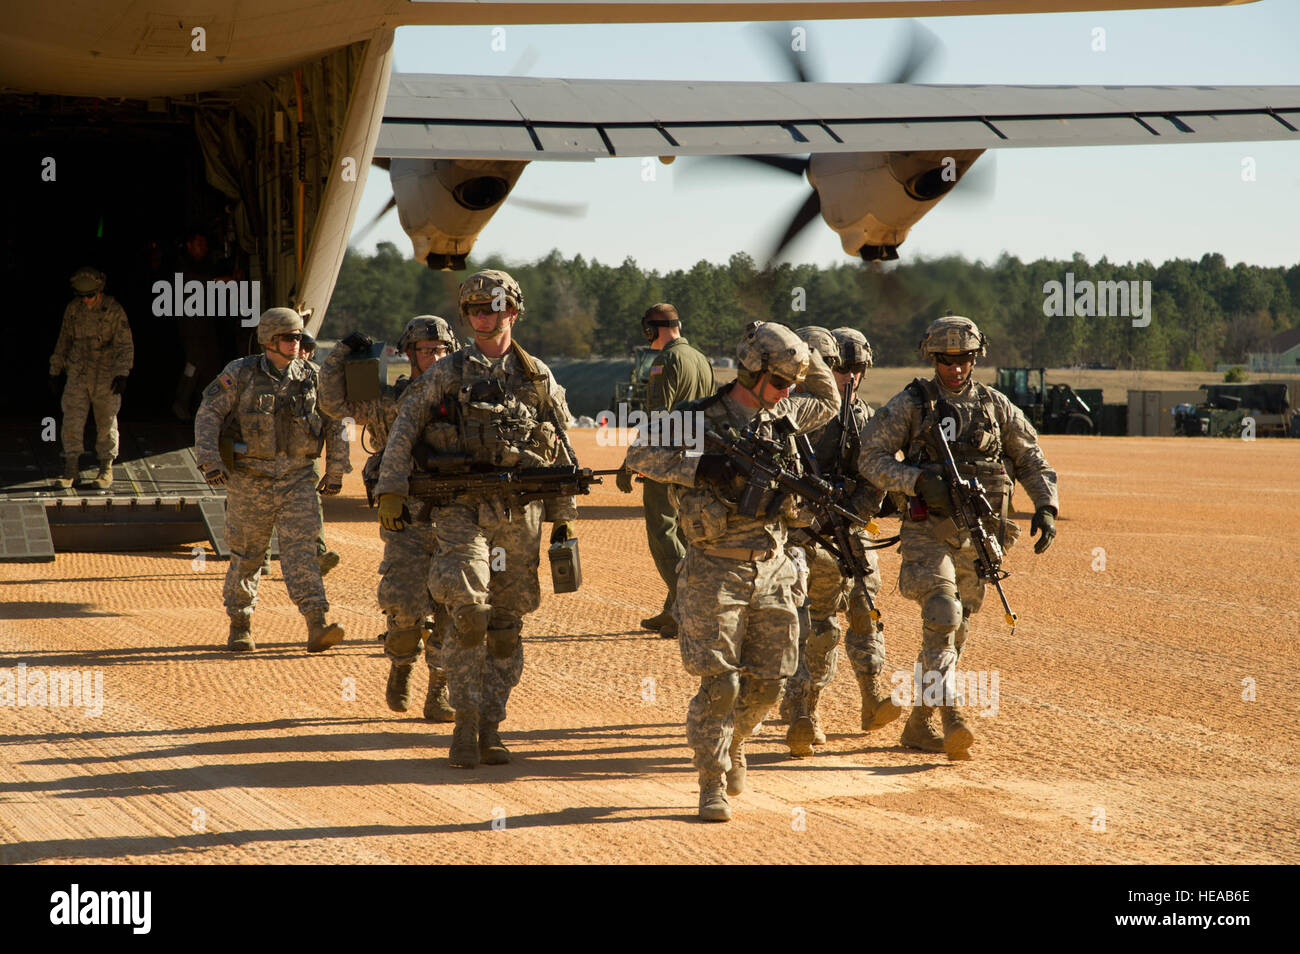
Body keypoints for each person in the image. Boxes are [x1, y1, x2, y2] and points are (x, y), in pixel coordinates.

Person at [626, 321, 839, 822]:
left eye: (792, 383)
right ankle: (711, 778)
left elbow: (828, 400)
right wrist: (701, 469)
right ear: (751, 370)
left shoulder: (787, 411)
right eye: (780, 381)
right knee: (720, 684)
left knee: (767, 684)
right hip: (713, 569)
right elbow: (639, 453)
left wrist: (804, 348)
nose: (788, 392)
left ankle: (737, 741)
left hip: (774, 567)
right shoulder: (700, 417)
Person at [373, 270, 578, 769]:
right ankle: (463, 722)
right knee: (468, 611)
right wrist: (391, 490)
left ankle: (491, 725)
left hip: (518, 513)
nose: (483, 318)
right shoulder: (447, 372)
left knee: (505, 626)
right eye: (474, 311)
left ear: (513, 310)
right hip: (460, 508)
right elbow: (404, 429)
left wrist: (564, 518)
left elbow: (562, 447)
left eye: (492, 308)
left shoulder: (538, 376)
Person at [858, 315, 1058, 760]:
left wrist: (1045, 505)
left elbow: (1030, 457)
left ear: (976, 358)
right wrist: (914, 480)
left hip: (981, 534)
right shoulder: (912, 405)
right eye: (946, 360)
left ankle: (917, 723)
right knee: (943, 613)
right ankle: (952, 717)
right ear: (932, 358)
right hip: (928, 530)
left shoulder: (995, 406)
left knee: (953, 631)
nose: (955, 369)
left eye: (964, 359)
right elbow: (869, 458)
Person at [319, 316, 460, 722]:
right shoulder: (386, 401)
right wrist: (341, 353)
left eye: (440, 349)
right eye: (425, 349)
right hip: (405, 514)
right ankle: (401, 664)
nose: (434, 356)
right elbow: (331, 403)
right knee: (404, 605)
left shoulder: (465, 400)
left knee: (454, 602)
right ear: (409, 354)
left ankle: (439, 690)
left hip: (455, 514)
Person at [194, 307, 350, 653]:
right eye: (288, 338)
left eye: (298, 337)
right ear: (268, 340)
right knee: (248, 556)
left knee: (304, 554)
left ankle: (316, 624)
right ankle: (240, 624)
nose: (296, 343)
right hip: (250, 480)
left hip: (297, 480)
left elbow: (336, 424)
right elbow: (208, 415)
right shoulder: (240, 373)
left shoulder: (313, 376)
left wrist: (336, 470)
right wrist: (210, 462)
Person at [779, 326, 898, 757]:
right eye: (837, 368)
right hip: (794, 533)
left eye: (853, 369)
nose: (846, 377)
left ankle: (871, 694)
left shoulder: (863, 418)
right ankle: (799, 710)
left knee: (865, 607)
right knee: (804, 624)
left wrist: (855, 513)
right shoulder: (787, 413)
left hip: (845, 529)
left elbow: (874, 475)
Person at [615, 303, 715, 639]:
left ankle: (688, 602)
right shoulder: (701, 360)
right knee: (688, 531)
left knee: (662, 531)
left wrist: (631, 461)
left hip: (668, 461)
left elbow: (658, 419)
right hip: (697, 458)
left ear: (651, 329)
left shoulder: (665, 362)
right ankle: (673, 610)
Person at [49, 267, 133, 490]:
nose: (86, 300)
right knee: (72, 420)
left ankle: (106, 468)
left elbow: (125, 345)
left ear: (99, 291)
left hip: (105, 374)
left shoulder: (113, 311)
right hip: (78, 371)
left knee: (106, 420)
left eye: (90, 296)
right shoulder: (73, 310)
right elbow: (63, 341)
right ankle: (71, 469)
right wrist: (55, 370)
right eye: (82, 296)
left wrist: (122, 373)